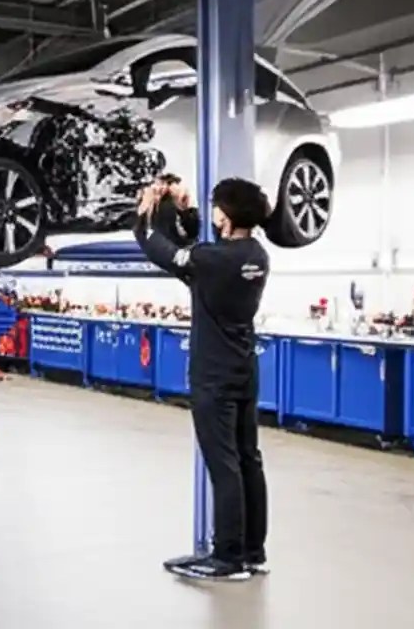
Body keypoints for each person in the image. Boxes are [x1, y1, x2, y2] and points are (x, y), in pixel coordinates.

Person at [133, 176, 271, 582]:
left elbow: (161, 251)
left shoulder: (216, 260)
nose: (211, 214)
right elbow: (195, 259)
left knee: (223, 464)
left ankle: (226, 558)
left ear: (224, 216)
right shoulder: (255, 255)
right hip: (244, 368)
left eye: (214, 208)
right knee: (248, 459)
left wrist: (146, 213)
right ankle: (252, 551)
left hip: (213, 373)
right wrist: (185, 210)